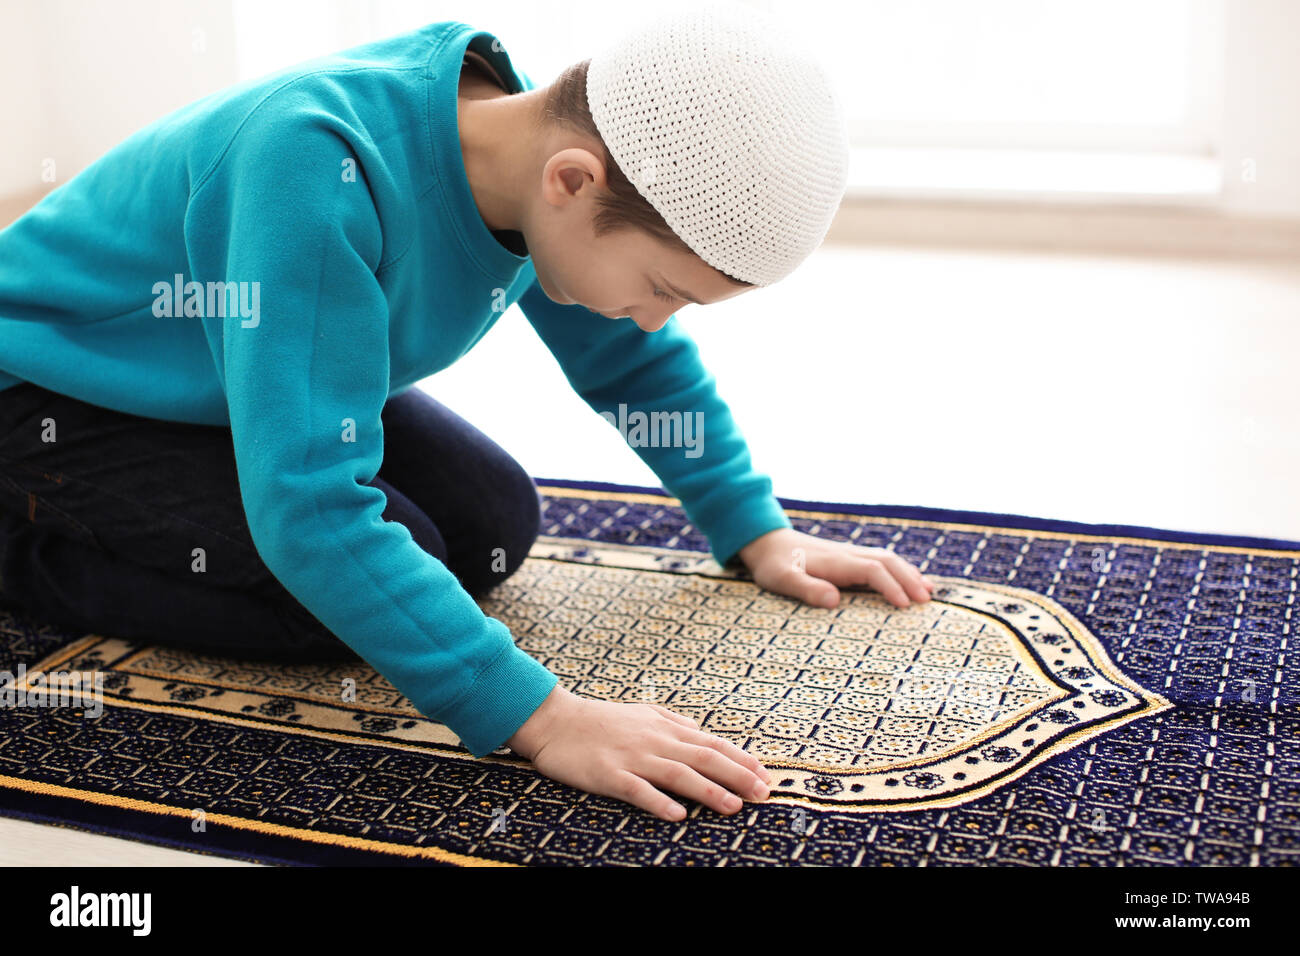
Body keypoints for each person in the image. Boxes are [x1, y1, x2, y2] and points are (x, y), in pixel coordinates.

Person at [0, 5, 935, 823]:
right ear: (575, 181)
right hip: (48, 388)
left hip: (210, 375)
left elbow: (629, 360)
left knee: (491, 526)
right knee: (323, 598)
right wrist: (539, 716)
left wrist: (756, 531)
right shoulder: (313, 167)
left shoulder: (520, 151)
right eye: (661, 287)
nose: (657, 317)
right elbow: (311, 510)